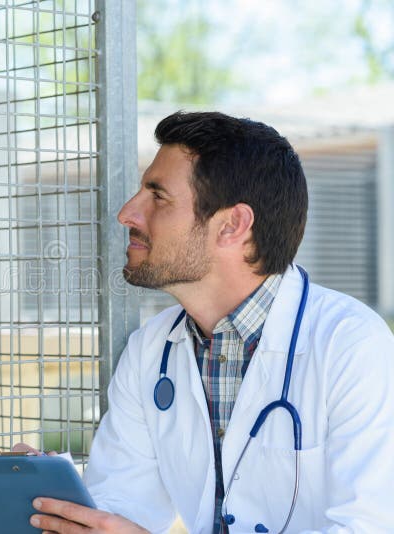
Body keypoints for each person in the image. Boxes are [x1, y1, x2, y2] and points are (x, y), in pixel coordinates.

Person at [26, 111, 394, 533]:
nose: (127, 213)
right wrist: (56, 504)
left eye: (157, 196)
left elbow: (369, 526)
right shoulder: (151, 348)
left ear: (232, 225)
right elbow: (123, 506)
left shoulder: (352, 346)